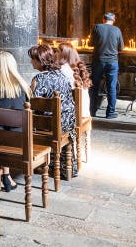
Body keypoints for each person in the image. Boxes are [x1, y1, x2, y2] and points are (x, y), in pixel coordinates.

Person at [0, 51, 31, 192]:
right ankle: (6, 176)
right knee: (3, 131)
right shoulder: (22, 85)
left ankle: (1, 175)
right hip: (18, 138)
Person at [29, 44, 77, 179]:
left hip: (50, 124)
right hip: (68, 121)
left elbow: (32, 104)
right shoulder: (61, 74)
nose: (31, 62)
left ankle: (38, 161)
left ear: (39, 60)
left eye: (32, 59)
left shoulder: (39, 79)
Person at [90, 12, 123, 119]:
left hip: (98, 60)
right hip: (112, 62)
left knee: (94, 86)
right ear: (113, 20)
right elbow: (121, 48)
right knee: (111, 87)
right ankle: (110, 113)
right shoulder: (117, 30)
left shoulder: (97, 27)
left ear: (103, 19)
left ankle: (92, 111)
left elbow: (91, 43)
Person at [57, 43, 91, 118]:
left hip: (73, 116)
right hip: (85, 113)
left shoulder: (63, 69)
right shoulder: (78, 69)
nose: (55, 54)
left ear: (64, 55)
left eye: (57, 51)